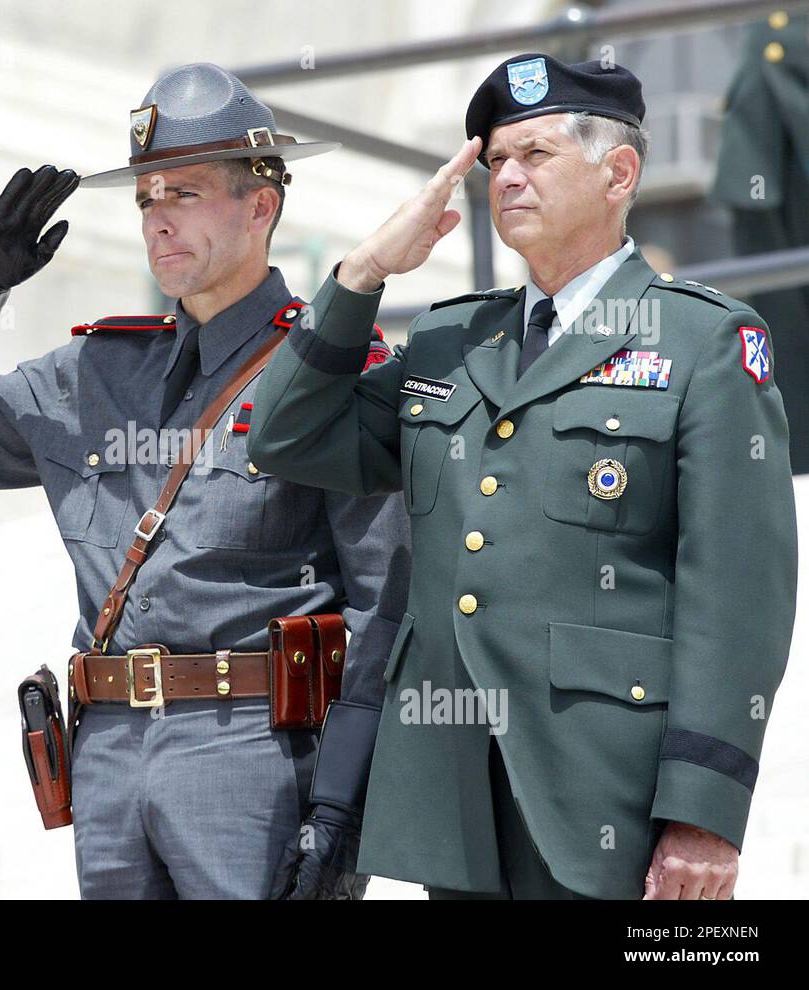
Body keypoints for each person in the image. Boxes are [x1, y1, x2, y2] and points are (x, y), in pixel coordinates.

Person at [249, 53, 797, 899]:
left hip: (609, 799)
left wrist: (705, 812)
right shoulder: (451, 340)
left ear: (619, 173)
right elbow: (286, 436)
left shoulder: (704, 344)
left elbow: (739, 598)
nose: (506, 177)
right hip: (454, 796)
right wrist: (364, 273)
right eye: (495, 159)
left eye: (534, 155)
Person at [0, 62, 410, 899]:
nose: (159, 220)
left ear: (261, 205)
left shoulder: (329, 370)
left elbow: (387, 606)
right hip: (110, 755)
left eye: (185, 195)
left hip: (255, 756)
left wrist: (343, 803)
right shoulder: (96, 370)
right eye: (146, 199)